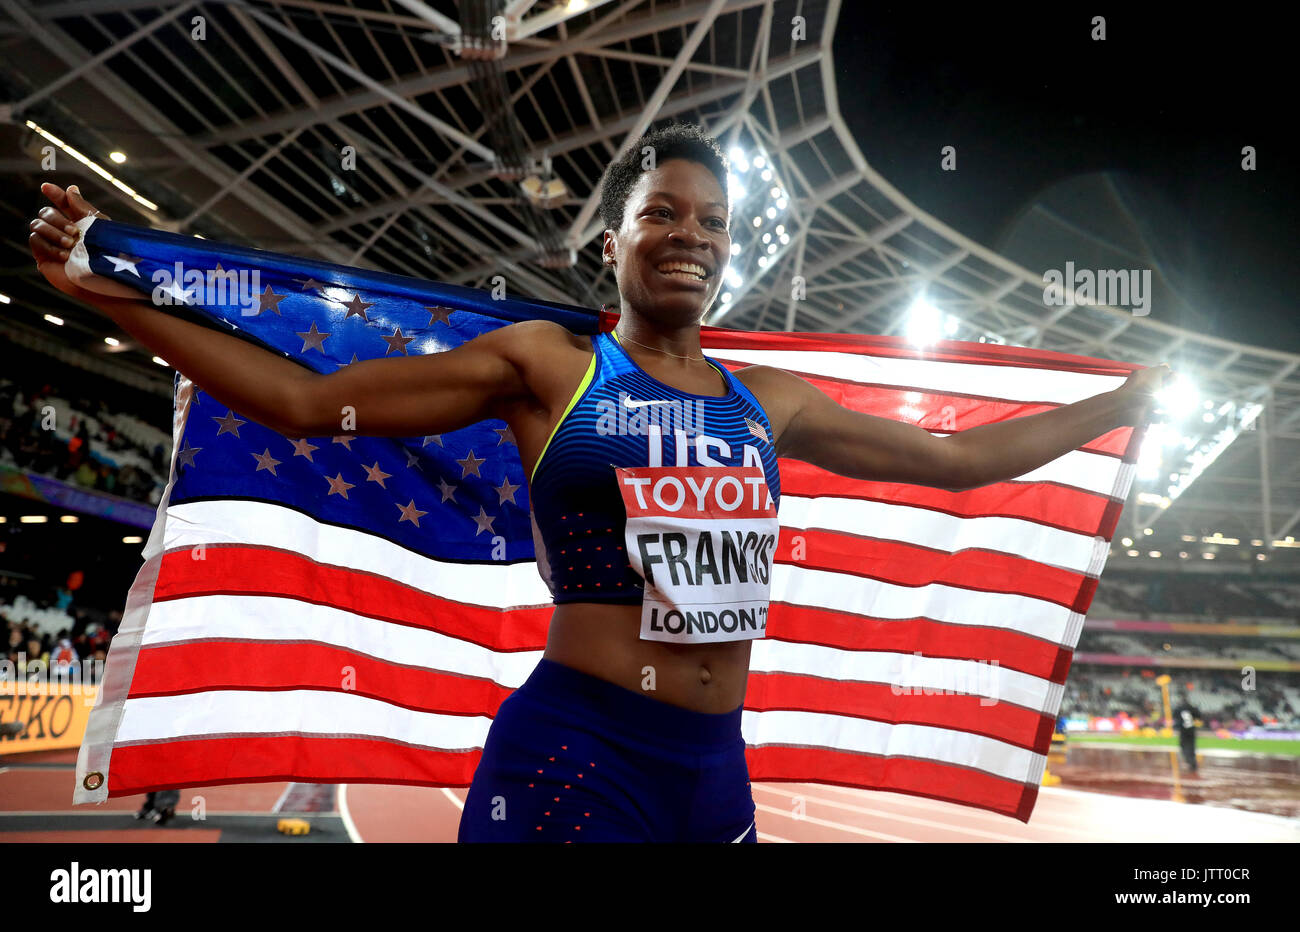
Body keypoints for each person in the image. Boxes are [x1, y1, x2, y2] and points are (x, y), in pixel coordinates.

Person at [28, 122, 1171, 843]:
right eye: (660, 214)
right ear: (612, 243)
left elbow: (962, 461)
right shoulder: (548, 366)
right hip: (577, 758)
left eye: (710, 223)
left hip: (713, 775)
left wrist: (1116, 408)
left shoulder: (766, 401)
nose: (689, 235)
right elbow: (297, 405)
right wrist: (117, 298)